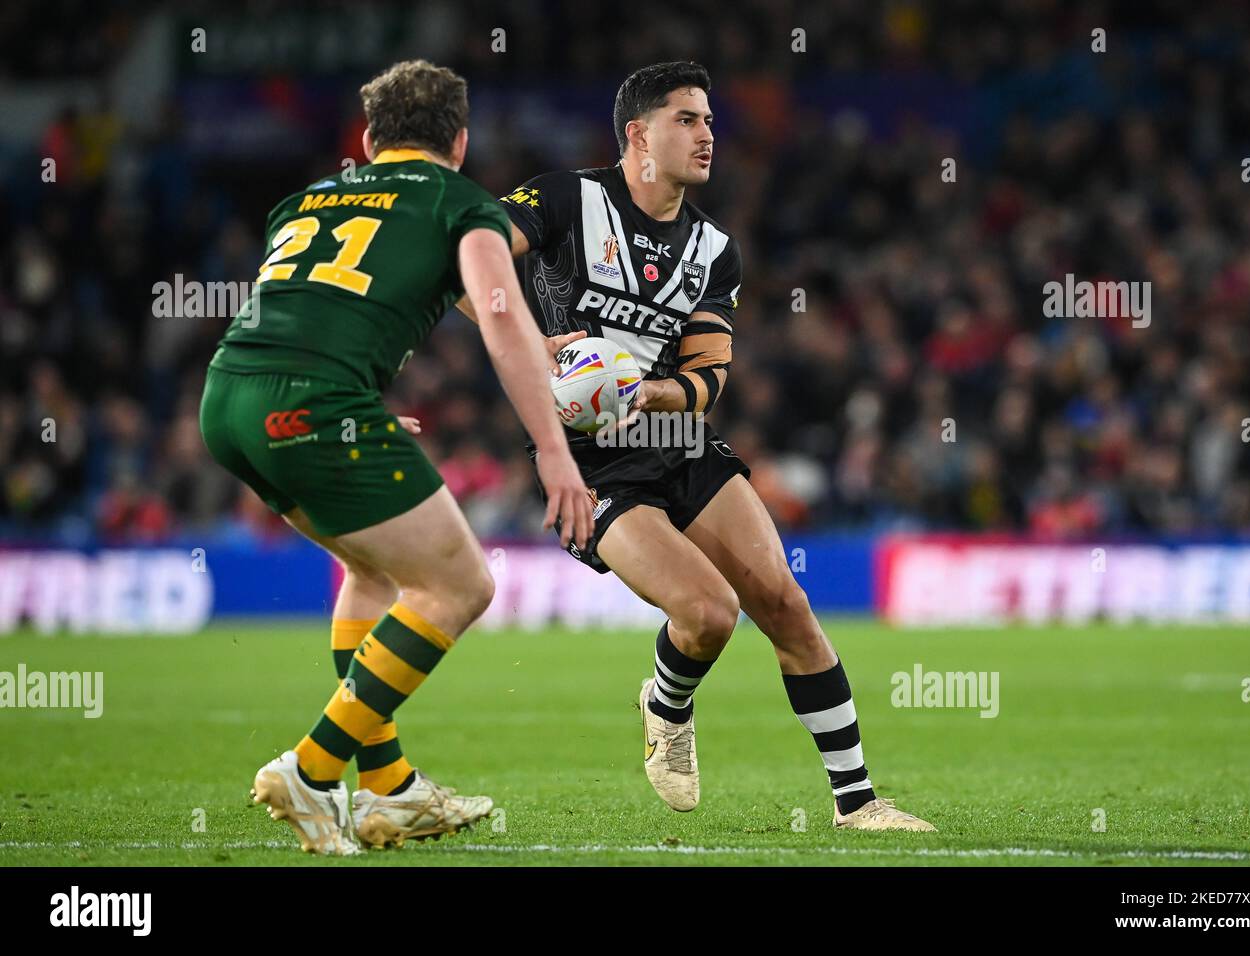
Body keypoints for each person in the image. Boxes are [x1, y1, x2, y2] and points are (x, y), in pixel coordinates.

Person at [458, 61, 933, 831]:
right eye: (688, 119)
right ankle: (666, 703)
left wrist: (653, 392)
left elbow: (709, 375)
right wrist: (531, 342)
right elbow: (469, 260)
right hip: (590, 461)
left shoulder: (715, 251)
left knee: (783, 600)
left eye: (710, 120)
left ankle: (858, 803)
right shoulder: (562, 199)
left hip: (678, 438)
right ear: (638, 135)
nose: (708, 133)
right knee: (709, 613)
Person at [199, 60, 593, 855]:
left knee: (376, 575)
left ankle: (391, 792)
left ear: (371, 139)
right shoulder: (461, 202)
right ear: (461, 140)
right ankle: (311, 771)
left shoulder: (303, 202)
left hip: (228, 401)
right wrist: (554, 450)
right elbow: (498, 317)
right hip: (312, 405)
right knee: (461, 584)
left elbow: (318, 310)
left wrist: (349, 414)